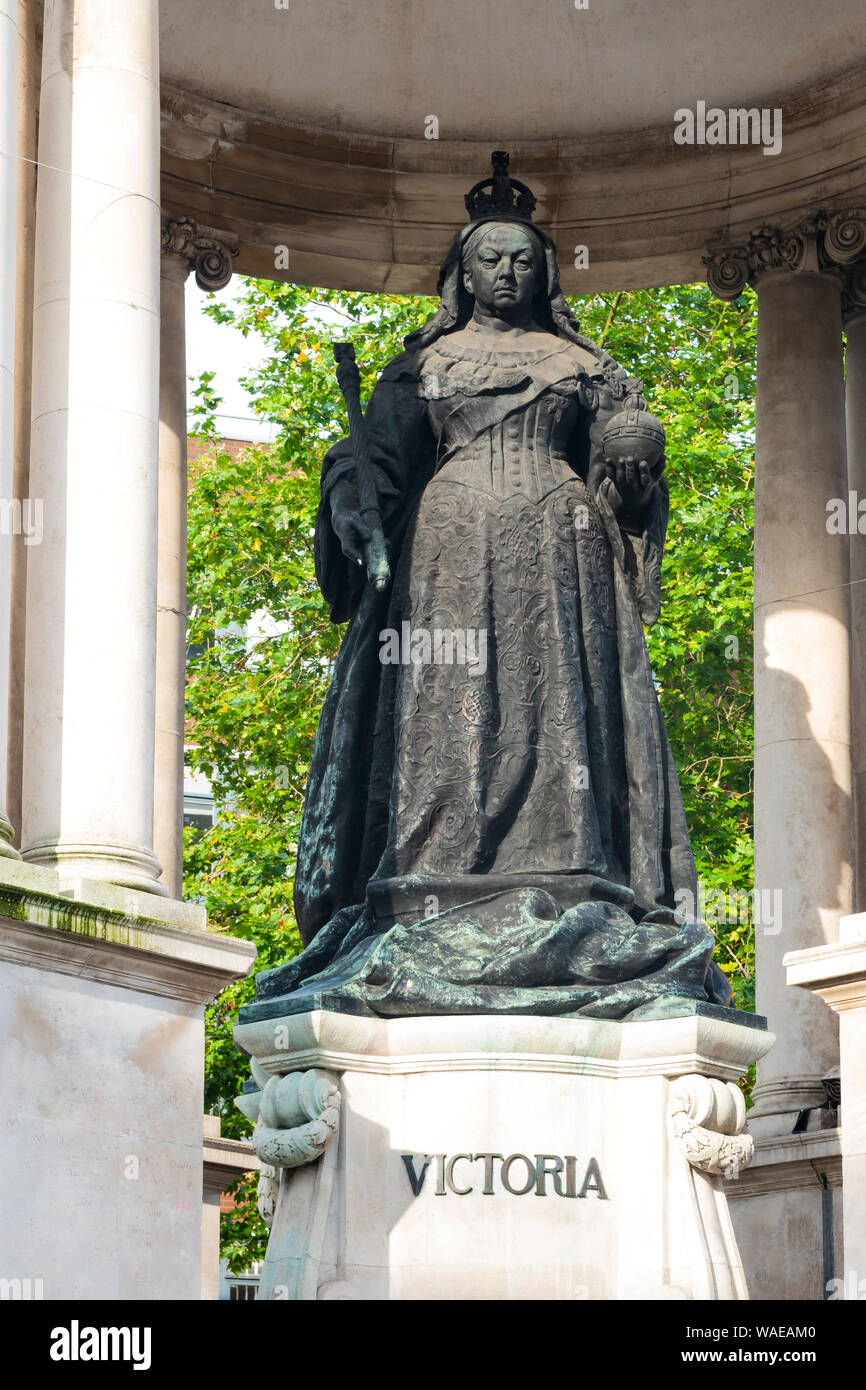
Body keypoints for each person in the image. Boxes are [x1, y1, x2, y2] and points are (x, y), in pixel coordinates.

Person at [253, 154, 732, 1020]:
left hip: (562, 547)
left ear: (544, 269)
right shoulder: (424, 365)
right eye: (490, 259)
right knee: (447, 708)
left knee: (562, 711)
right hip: (450, 549)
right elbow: (374, 460)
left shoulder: (582, 364)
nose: (507, 273)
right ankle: (435, 873)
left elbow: (622, 487)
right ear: (462, 271)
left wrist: (631, 473)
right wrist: (354, 501)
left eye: (521, 259)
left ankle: (570, 873)